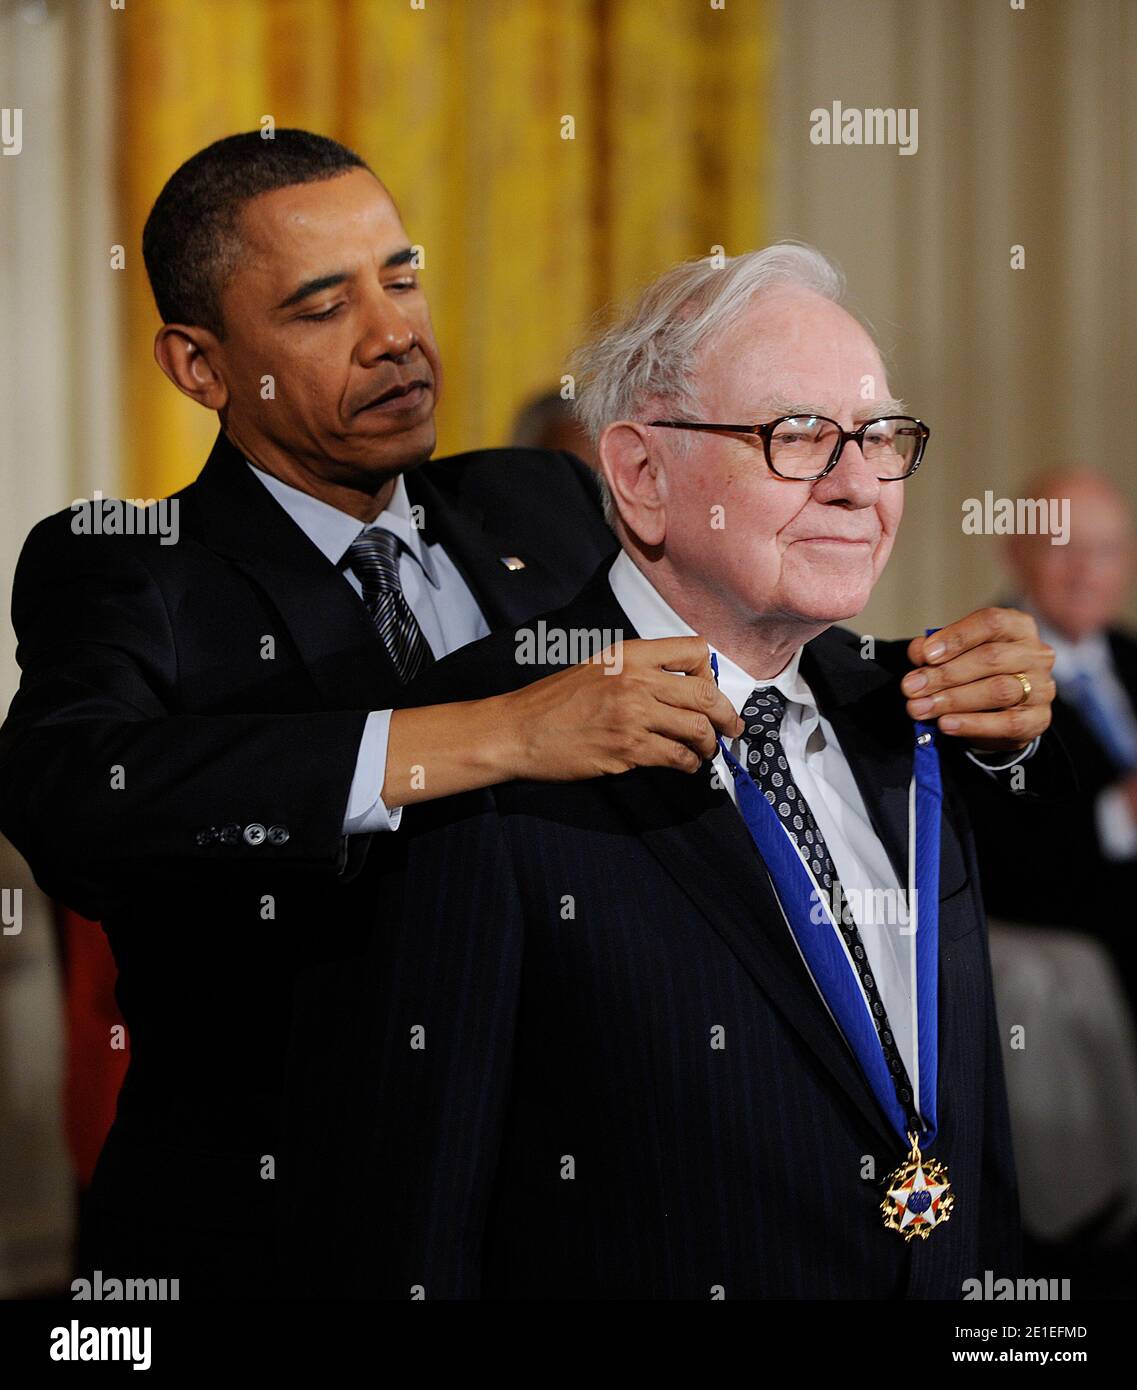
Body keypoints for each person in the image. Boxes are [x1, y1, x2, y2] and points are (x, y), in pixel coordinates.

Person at [0, 129, 743, 1297]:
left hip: (578, 1213)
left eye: (401, 277)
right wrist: (498, 731)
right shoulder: (131, 567)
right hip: (280, 1233)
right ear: (200, 366)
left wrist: (934, 675)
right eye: (320, 306)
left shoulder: (538, 501)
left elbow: (746, 659)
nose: (396, 333)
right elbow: (76, 791)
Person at [306, 245, 1068, 1299]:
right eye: (798, 436)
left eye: (882, 437)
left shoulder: (916, 710)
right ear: (641, 473)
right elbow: (421, 1210)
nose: (859, 486)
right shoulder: (489, 734)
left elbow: (960, 1120)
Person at [975, 469, 1137, 1004]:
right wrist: (1119, 816)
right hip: (1071, 945)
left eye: (1106, 552)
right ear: (1016, 552)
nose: (1086, 573)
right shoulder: (979, 668)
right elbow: (991, 850)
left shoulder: (1128, 655)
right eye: (1061, 549)